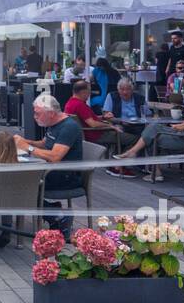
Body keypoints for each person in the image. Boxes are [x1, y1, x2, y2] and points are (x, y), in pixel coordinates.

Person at [115, 87, 184, 183]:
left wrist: (171, 126)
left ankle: (148, 165)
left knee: (152, 133)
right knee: (152, 133)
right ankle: (134, 153)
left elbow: (180, 127)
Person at [12, 94, 83, 236]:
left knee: (19, 184)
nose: (34, 117)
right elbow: (44, 144)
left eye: (38, 114)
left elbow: (55, 157)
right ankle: (53, 211)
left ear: (51, 113)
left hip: (66, 176)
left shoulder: (68, 127)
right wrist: (25, 141)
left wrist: (27, 148)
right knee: (16, 180)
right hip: (52, 172)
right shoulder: (53, 124)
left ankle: (57, 215)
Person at [103, 78, 149, 168]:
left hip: (138, 125)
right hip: (120, 124)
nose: (125, 92)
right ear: (118, 89)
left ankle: (135, 162)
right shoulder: (112, 96)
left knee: (146, 135)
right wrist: (109, 116)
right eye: (122, 89)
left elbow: (147, 115)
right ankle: (120, 161)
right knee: (125, 133)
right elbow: (106, 114)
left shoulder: (140, 98)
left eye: (128, 89)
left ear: (132, 90)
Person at [62, 80, 117, 145]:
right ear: (83, 92)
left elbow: (87, 118)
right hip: (95, 136)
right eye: (89, 92)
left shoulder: (70, 103)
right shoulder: (80, 105)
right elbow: (93, 124)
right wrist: (109, 125)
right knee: (130, 138)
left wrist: (103, 117)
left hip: (84, 135)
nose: (89, 94)